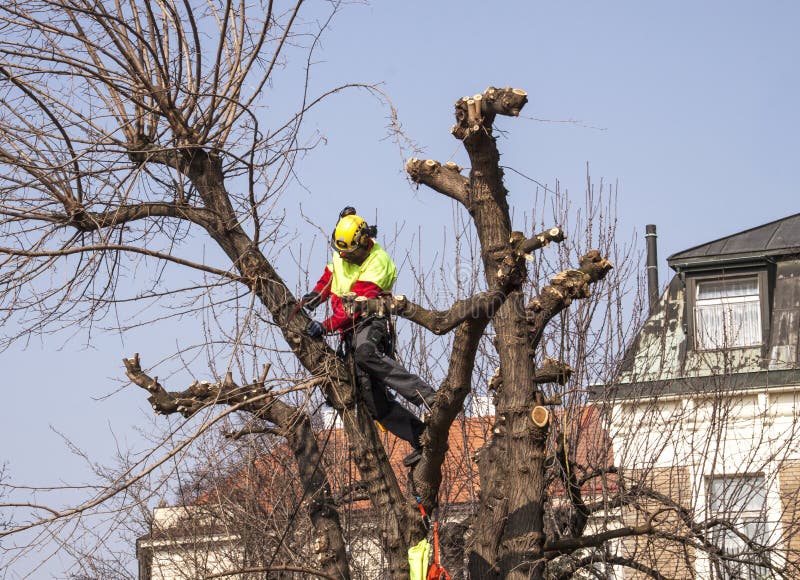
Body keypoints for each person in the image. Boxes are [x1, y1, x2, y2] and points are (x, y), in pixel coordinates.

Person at [304, 207, 437, 467]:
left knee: (366, 353)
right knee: (373, 402)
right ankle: (421, 438)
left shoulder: (378, 261)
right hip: (348, 331)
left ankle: (428, 397)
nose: (346, 257)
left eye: (351, 253)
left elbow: (355, 309)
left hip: (370, 321)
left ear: (364, 242)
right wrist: (315, 295)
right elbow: (330, 277)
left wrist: (326, 325)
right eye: (343, 253)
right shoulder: (343, 253)